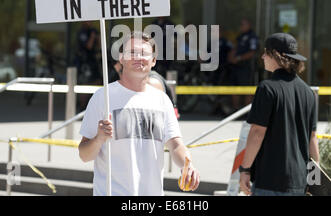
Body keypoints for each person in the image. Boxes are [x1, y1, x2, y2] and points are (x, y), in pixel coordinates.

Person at [78, 31, 199, 195]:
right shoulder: (103, 97)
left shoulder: (162, 100)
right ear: (121, 58)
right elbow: (84, 155)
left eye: (144, 53)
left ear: (153, 60)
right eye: (132, 52)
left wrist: (187, 164)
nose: (138, 57)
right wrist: (99, 139)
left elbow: (176, 145)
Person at [239, 33, 319, 196]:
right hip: (299, 182)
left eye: (266, 52)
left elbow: (257, 133)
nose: (262, 56)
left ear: (276, 56)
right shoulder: (308, 93)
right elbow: (312, 138)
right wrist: (314, 179)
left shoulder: (267, 88)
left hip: (270, 181)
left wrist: (245, 169)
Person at [229, 18, 259, 109]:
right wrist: (231, 57)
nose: (241, 26)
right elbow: (235, 47)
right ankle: (236, 111)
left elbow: (252, 52)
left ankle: (247, 114)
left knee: (247, 90)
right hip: (236, 67)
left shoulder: (252, 36)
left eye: (243, 24)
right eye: (241, 24)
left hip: (247, 67)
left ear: (249, 25)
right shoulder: (241, 36)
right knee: (235, 88)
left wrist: (238, 58)